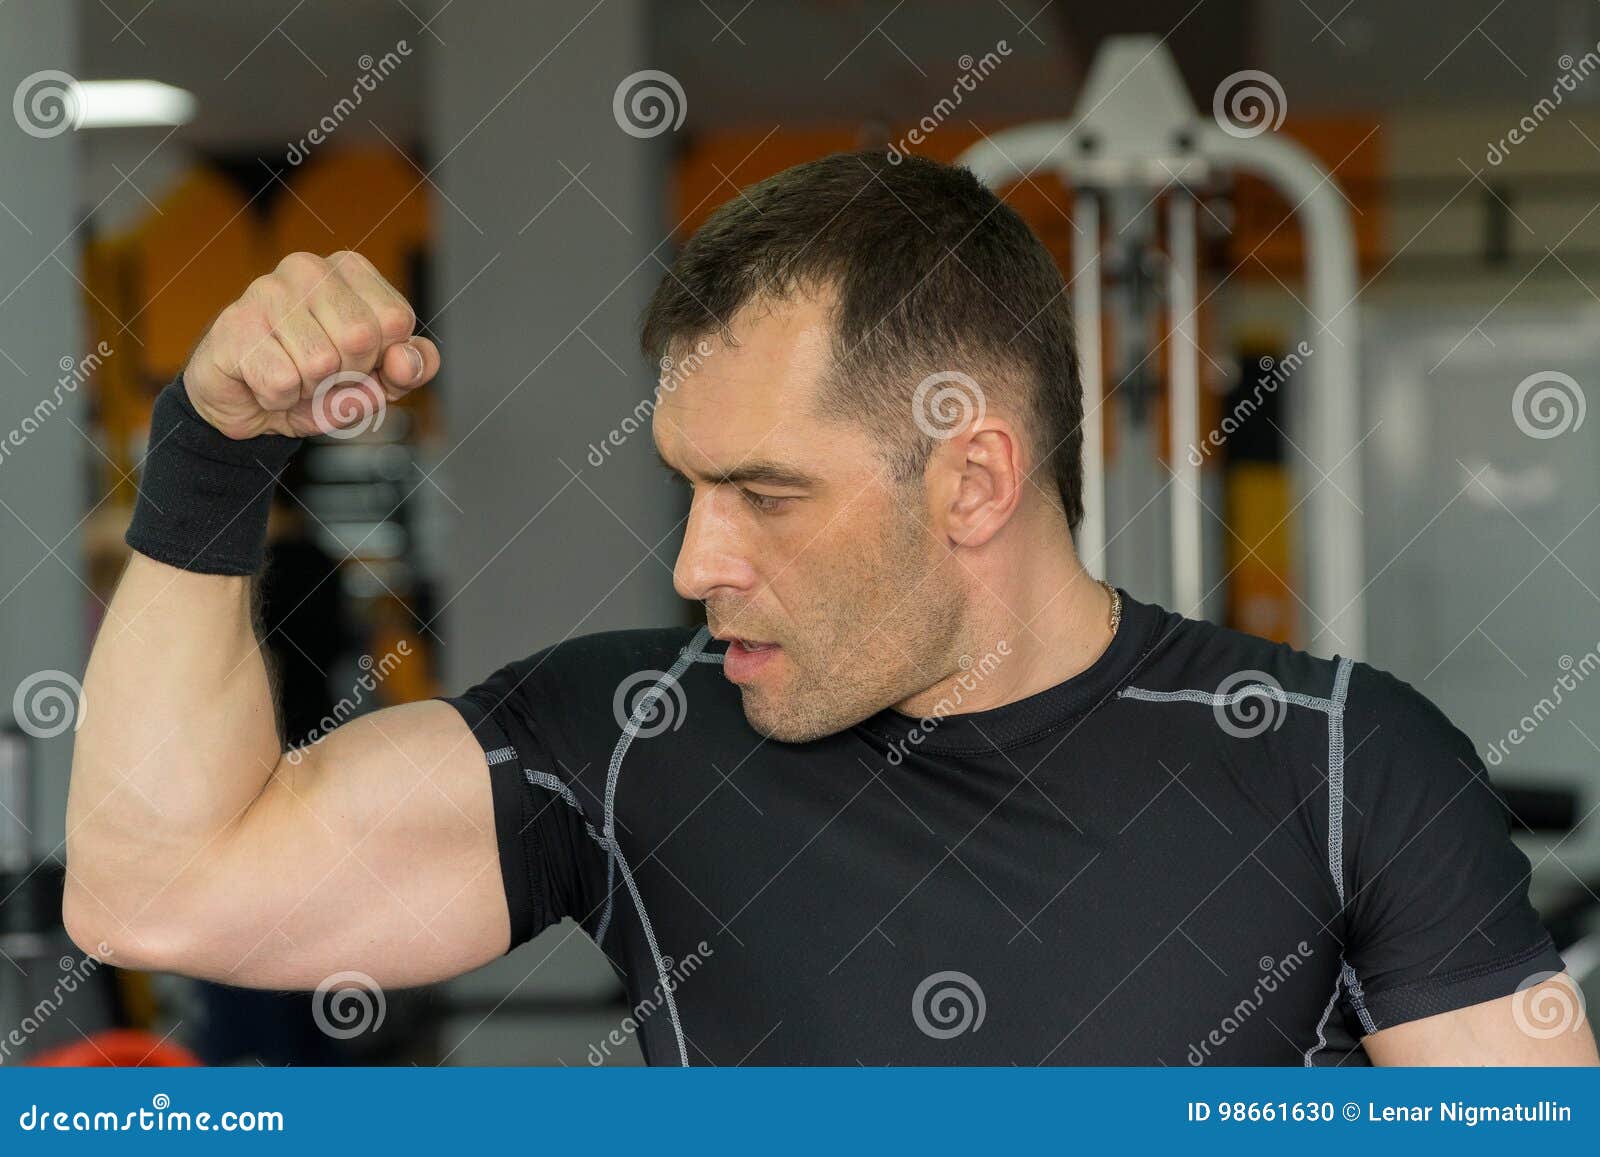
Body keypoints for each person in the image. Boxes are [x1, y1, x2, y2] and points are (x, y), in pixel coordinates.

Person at [63, 151, 1598, 1066]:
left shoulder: (1342, 762)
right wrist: (211, 457)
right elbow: (158, 893)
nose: (694, 560)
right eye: (688, 486)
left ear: (975, 478)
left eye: (766, 492)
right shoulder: (634, 737)